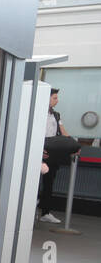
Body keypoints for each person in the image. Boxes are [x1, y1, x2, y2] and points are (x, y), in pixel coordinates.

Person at [39, 87, 78, 224]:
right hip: (38, 150)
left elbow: (63, 131)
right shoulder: (37, 113)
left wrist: (74, 145)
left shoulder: (56, 115)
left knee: (50, 181)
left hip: (52, 151)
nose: (57, 100)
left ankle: (45, 212)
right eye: (54, 98)